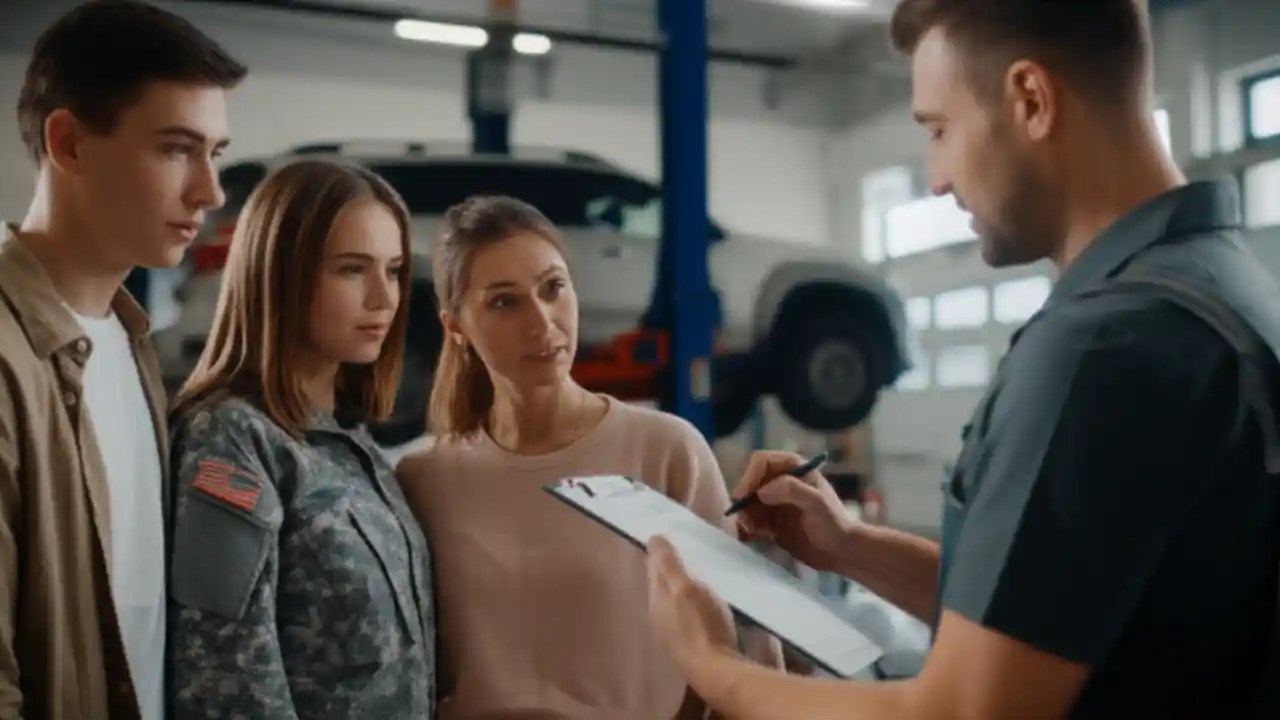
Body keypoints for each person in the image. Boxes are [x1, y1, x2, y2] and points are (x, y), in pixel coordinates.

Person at [646, 0, 1280, 718]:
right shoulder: (1225, 288)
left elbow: (963, 712)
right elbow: (1054, 608)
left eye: (939, 130)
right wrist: (851, 547)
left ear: (1031, 100)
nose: (938, 178)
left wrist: (712, 664)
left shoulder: (1104, 348)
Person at [395, 195, 779, 720]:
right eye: (505, 302)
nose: (543, 321)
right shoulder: (425, 480)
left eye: (554, 288)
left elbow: (743, 651)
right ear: (456, 327)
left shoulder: (667, 451)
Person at [0, 2, 245, 717]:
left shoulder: (129, 341)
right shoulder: (10, 359)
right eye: (176, 148)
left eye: (216, 152)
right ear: (69, 143)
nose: (210, 190)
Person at [167, 159, 435, 718]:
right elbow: (227, 677)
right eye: (351, 270)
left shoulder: (351, 443)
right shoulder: (232, 437)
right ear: (279, 275)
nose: (384, 298)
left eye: (394, 270)